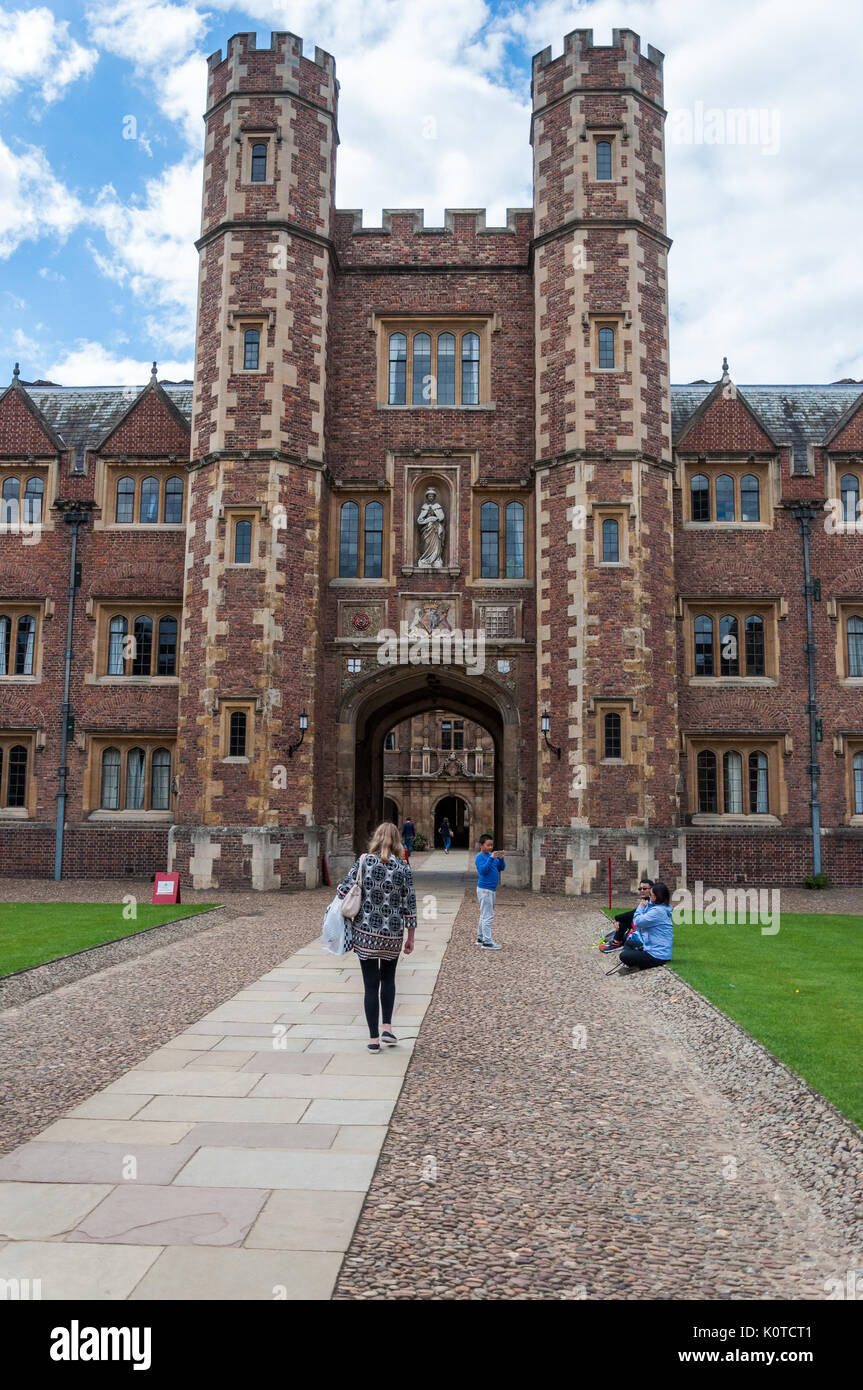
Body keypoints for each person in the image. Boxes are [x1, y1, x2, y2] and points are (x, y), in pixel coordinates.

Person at [337, 822, 417, 1052]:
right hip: (392, 933)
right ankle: (387, 1028)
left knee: (370, 986)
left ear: (377, 838)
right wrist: (411, 936)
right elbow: (409, 904)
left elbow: (343, 891)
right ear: (397, 840)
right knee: (389, 980)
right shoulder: (403, 867)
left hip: (365, 933)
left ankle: (373, 1040)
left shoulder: (364, 861)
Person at [619, 881, 673, 970]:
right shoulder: (662, 907)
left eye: (651, 895)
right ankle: (633, 962)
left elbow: (637, 921)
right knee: (629, 943)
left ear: (656, 897)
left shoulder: (658, 911)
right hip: (654, 948)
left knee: (624, 956)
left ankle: (635, 964)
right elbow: (644, 920)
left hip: (657, 956)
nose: (649, 897)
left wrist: (640, 907)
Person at [600, 877, 654, 952]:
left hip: (647, 930)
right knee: (624, 921)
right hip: (643, 926)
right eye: (640, 889)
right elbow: (634, 913)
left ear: (651, 889)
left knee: (623, 922)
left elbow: (633, 913)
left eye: (644, 889)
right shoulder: (647, 900)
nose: (642, 891)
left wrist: (617, 918)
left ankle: (616, 943)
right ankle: (617, 942)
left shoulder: (650, 901)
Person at [475, 832, 505, 949]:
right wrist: (491, 859)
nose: (490, 847)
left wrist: (501, 859)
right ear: (481, 845)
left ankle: (480, 937)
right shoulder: (480, 857)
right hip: (485, 889)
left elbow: (501, 868)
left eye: (491, 845)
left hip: (491, 889)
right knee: (488, 916)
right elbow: (483, 871)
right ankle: (487, 942)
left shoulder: (492, 856)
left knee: (484, 914)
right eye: (488, 845)